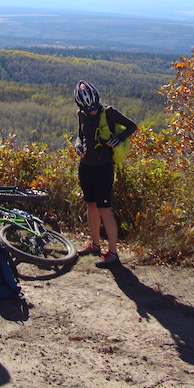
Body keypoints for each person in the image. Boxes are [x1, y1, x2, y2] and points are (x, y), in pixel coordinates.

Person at [73, 80, 137, 268]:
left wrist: (118, 140)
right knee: (91, 205)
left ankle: (113, 253)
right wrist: (78, 146)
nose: (92, 111)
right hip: (86, 167)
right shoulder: (81, 114)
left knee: (104, 209)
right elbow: (80, 135)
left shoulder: (108, 112)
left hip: (104, 168)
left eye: (93, 107)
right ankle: (94, 244)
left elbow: (132, 126)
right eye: (88, 108)